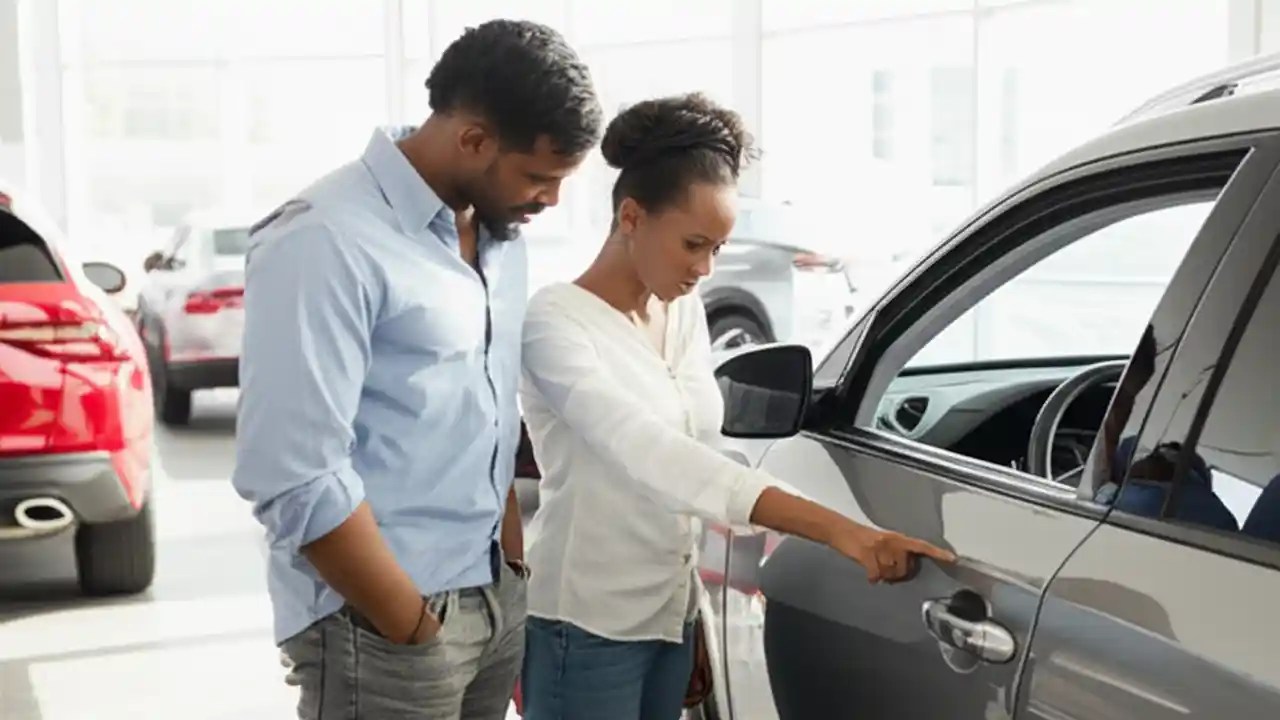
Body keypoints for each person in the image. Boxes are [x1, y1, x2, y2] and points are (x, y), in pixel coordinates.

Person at [518, 93, 956, 720]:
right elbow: (655, 457)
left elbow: (707, 451)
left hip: (666, 615)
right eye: (693, 244)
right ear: (631, 217)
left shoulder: (682, 311)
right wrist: (838, 531)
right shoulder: (554, 322)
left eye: (718, 248)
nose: (705, 267)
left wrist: (691, 611)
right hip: (586, 626)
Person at [230, 20, 602, 720]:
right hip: (383, 624)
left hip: (492, 598)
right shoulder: (324, 237)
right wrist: (407, 623)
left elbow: (486, 410)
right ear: (472, 140)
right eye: (539, 177)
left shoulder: (499, 235)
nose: (549, 200)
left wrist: (511, 572)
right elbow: (292, 472)